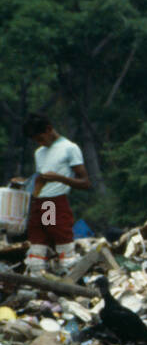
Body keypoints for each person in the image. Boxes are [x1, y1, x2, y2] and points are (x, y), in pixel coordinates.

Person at [11, 114, 89, 275]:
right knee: (36, 249)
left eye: (40, 138)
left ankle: (70, 279)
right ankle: (39, 285)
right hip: (38, 202)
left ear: (48, 129)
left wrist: (58, 178)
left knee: (61, 241)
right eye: (36, 140)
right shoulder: (39, 152)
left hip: (52, 203)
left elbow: (85, 182)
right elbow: (40, 181)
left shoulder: (69, 148)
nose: (40, 143)